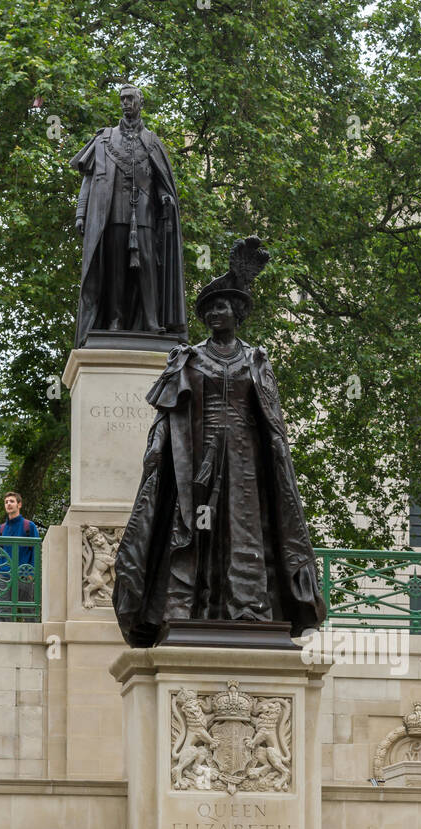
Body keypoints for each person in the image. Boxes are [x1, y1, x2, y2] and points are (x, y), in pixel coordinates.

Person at [113, 236, 326, 646]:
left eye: (221, 306)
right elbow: (167, 413)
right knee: (197, 530)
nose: (214, 312)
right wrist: (156, 454)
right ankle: (194, 609)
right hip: (198, 457)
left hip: (247, 462)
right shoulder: (188, 357)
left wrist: (279, 463)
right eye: (208, 307)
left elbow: (272, 421)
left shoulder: (255, 359)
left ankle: (247, 610)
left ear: (238, 312)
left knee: (246, 532)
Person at [71, 84, 187, 346]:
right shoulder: (103, 139)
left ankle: (152, 321)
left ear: (140, 102)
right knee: (115, 271)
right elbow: (88, 181)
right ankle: (115, 320)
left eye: (130, 98)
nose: (125, 103)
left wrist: (164, 196)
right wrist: (81, 213)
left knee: (147, 267)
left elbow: (160, 179)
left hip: (144, 215)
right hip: (112, 215)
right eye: (122, 99)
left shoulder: (152, 141)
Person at [0, 492, 39, 619]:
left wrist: (32, 572)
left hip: (24, 573)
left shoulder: (29, 526)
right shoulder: (0, 529)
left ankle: (32, 638)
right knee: (3, 610)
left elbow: (36, 550)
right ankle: (5, 638)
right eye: (6, 502)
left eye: (12, 501)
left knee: (28, 609)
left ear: (19, 504)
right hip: (3, 575)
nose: (8, 504)